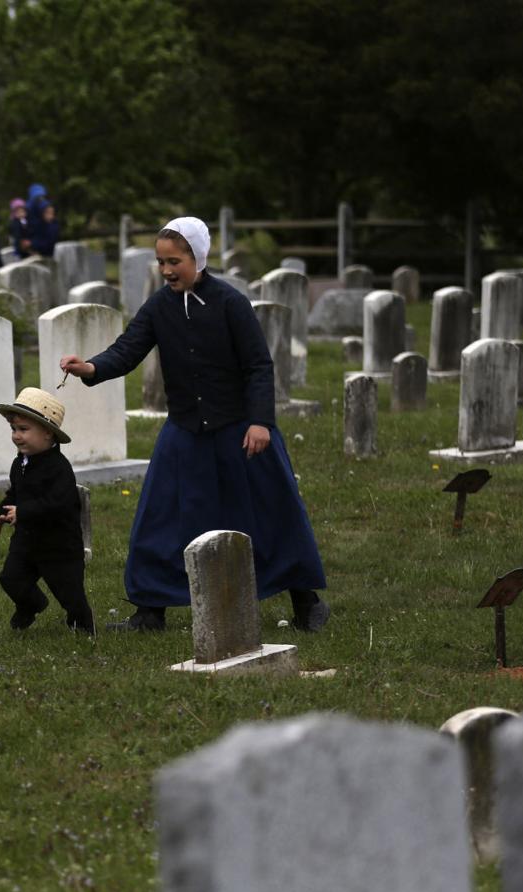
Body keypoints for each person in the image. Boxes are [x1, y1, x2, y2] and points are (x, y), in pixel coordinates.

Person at [57, 216, 329, 633]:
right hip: (185, 428)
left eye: (174, 261)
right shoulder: (159, 305)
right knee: (159, 516)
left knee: (271, 516)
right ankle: (150, 611)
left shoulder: (230, 303)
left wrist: (260, 423)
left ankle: (306, 603)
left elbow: (258, 365)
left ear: (197, 258)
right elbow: (128, 349)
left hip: (241, 428)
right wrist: (91, 366)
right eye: (161, 262)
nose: (166, 270)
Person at [0, 387, 95, 635]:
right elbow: (15, 492)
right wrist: (5, 511)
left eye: (23, 430)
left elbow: (58, 502)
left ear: (48, 433)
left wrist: (23, 512)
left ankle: (83, 627)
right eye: (14, 429)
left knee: (70, 593)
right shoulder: (19, 463)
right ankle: (31, 604)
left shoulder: (58, 468)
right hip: (27, 540)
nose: (16, 436)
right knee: (11, 578)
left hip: (59, 546)